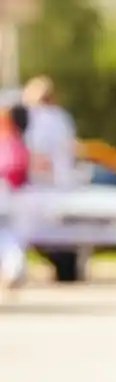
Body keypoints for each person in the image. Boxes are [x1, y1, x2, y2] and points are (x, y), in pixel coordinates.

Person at [21, 76, 76, 188]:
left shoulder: (32, 118)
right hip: (63, 180)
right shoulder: (62, 117)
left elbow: (36, 153)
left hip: (39, 183)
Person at [0, 104, 31, 293]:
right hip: (12, 196)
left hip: (7, 195)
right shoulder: (16, 143)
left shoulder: (10, 143)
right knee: (8, 237)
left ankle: (14, 270)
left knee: (7, 236)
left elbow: (13, 170)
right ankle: (14, 270)